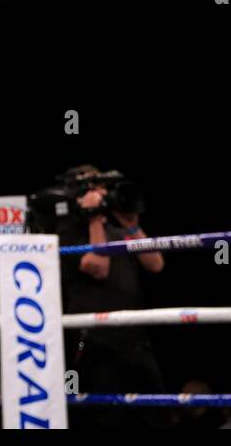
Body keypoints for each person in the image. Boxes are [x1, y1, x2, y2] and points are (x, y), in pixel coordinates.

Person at [60, 166, 167, 428]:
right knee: (106, 416)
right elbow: (98, 268)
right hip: (94, 339)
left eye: (103, 188)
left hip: (134, 337)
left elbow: (155, 264)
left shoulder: (119, 230)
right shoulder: (67, 231)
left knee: (155, 412)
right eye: (93, 189)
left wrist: (132, 226)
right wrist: (95, 219)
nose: (101, 195)